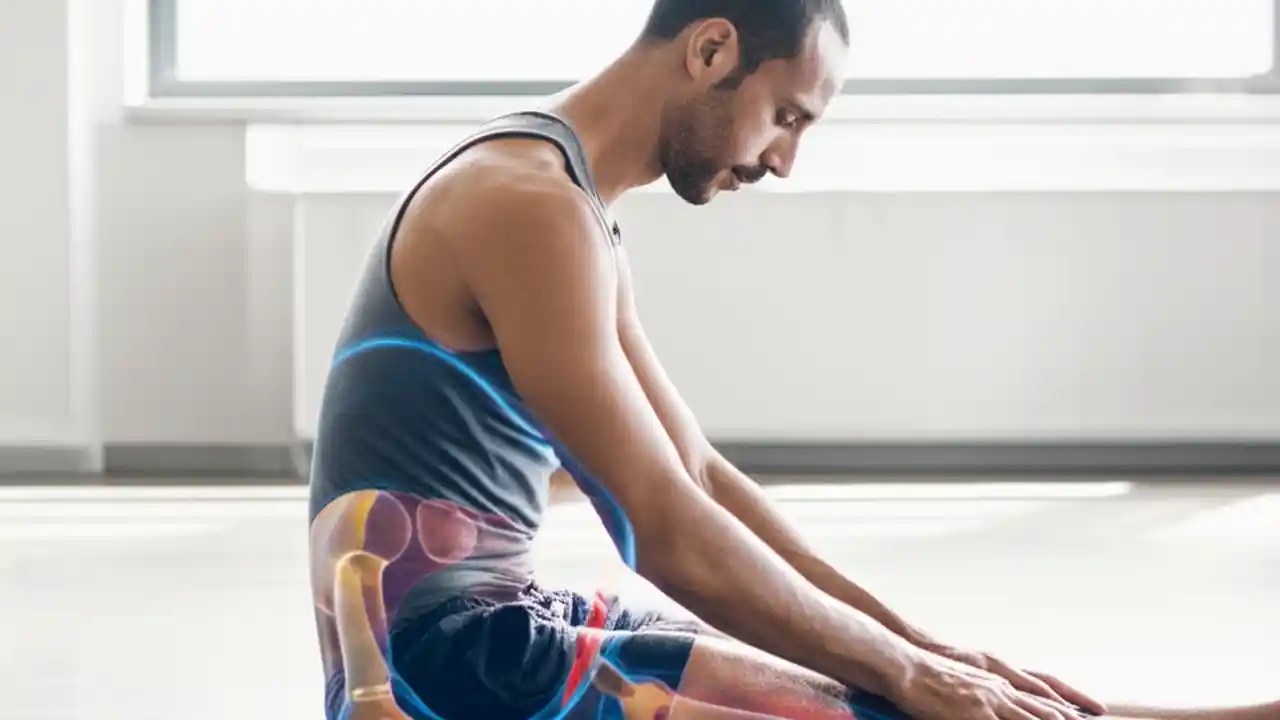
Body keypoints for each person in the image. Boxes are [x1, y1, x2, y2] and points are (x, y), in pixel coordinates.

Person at [306, 2, 1280, 719]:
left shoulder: (569, 205)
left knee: (956, 695)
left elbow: (697, 476)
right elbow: (662, 529)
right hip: (438, 676)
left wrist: (920, 646)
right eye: (787, 116)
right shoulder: (520, 204)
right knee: (885, 702)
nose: (783, 161)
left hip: (495, 625)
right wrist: (899, 669)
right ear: (711, 47)